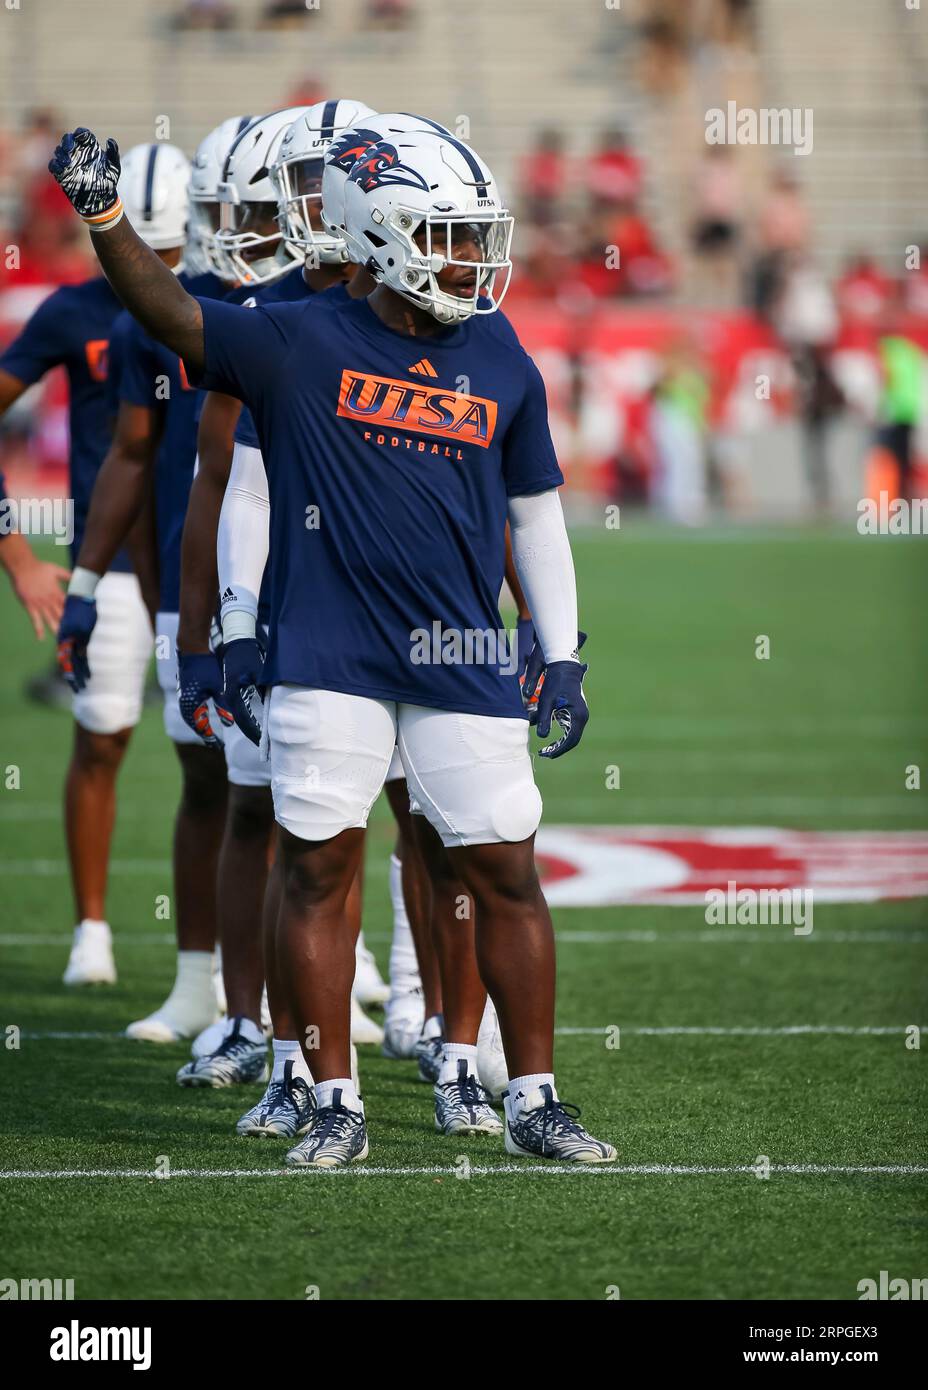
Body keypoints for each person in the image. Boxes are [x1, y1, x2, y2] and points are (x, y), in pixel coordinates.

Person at [48, 123, 616, 1168]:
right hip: (327, 650)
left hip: (459, 654)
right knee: (313, 869)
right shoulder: (297, 336)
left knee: (504, 867)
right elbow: (172, 314)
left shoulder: (499, 349)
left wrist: (559, 650)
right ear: (382, 235)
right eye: (447, 235)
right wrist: (107, 217)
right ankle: (331, 1099)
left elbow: (535, 513)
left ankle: (533, 1096)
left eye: (473, 235)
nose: (470, 257)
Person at [0, 147, 174, 988]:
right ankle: (92, 930)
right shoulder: (75, 312)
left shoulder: (221, 306)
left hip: (213, 567)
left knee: (249, 768)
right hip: (109, 566)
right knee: (102, 738)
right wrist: (15, 551)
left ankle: (235, 967)